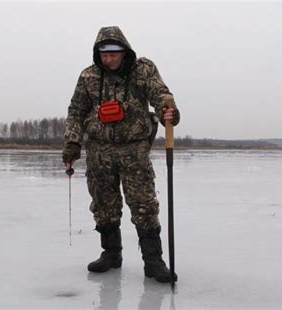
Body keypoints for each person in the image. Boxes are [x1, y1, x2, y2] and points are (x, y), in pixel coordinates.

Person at [62, 26, 180, 283]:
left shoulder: (143, 70)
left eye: (114, 53)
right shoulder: (89, 77)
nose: (109, 59)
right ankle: (111, 254)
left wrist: (167, 112)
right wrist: (72, 144)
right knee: (104, 205)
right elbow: (75, 111)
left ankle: (153, 262)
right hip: (99, 150)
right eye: (104, 54)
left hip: (133, 150)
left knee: (144, 204)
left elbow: (161, 95)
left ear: (124, 51)